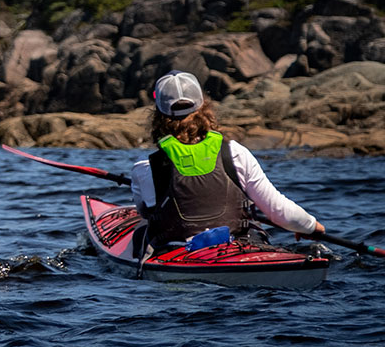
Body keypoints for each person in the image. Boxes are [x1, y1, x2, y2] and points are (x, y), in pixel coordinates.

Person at [128, 70, 325, 253]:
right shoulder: (235, 152)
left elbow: (146, 212)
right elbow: (276, 209)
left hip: (177, 254)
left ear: (158, 115)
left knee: (141, 232)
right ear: (203, 106)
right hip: (235, 248)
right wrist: (309, 225)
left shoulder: (146, 165)